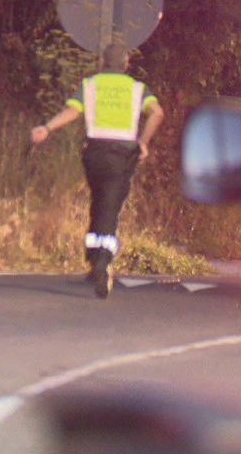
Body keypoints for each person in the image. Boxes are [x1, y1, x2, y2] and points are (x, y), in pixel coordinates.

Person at [30, 43, 163, 298]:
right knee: (110, 206)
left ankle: (92, 260)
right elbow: (157, 113)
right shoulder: (137, 88)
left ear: (102, 63)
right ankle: (103, 260)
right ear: (126, 65)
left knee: (98, 200)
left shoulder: (90, 85)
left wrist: (47, 128)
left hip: (95, 153)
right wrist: (143, 143)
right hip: (123, 156)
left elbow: (72, 111)